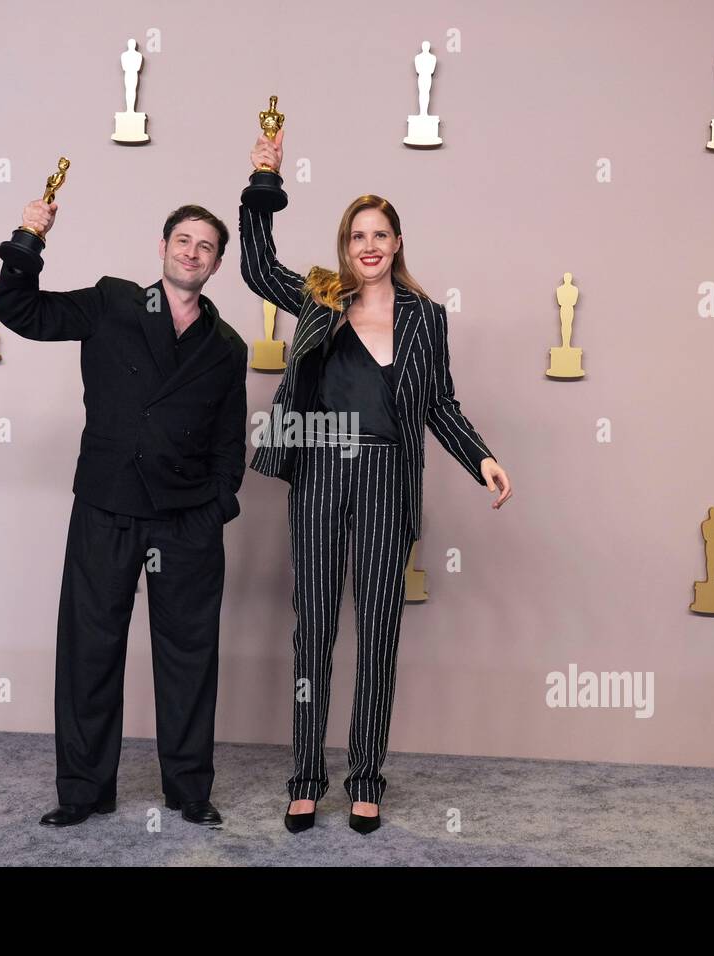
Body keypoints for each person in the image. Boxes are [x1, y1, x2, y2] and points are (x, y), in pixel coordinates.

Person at [239, 130, 512, 834]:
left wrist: (479, 456)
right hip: (323, 465)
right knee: (315, 630)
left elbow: (440, 404)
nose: (368, 244)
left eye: (380, 233)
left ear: (396, 243)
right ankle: (305, 776)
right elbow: (256, 265)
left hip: (392, 474)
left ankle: (366, 778)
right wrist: (262, 182)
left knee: (381, 631)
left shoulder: (427, 317)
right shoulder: (320, 296)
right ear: (345, 244)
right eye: (357, 234)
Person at [0, 196, 248, 829]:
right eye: (183, 241)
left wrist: (218, 503)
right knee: (89, 649)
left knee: (189, 653)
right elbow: (21, 310)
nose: (192, 252)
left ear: (217, 264)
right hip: (107, 505)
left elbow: (227, 439)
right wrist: (30, 237)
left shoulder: (227, 345)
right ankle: (83, 791)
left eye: (206, 246)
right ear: (162, 249)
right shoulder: (111, 302)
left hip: (187, 517)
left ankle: (190, 788)